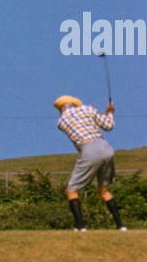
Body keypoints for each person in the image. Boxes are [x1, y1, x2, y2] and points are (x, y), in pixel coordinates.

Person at [53, 95, 127, 232]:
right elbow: (108, 126)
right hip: (106, 148)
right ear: (75, 104)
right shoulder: (87, 109)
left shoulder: (61, 122)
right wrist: (110, 112)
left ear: (61, 108)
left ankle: (80, 226)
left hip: (89, 149)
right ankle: (121, 226)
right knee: (104, 190)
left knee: (71, 189)